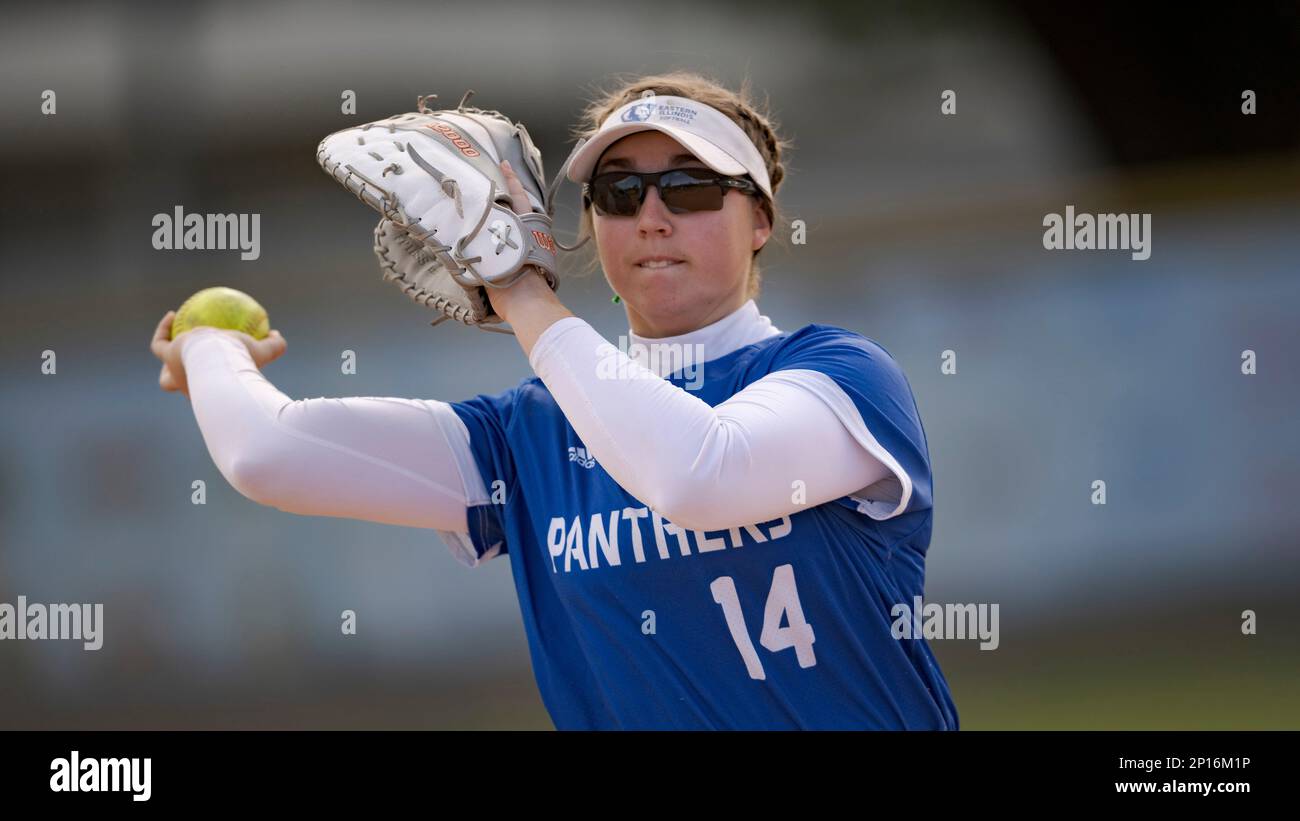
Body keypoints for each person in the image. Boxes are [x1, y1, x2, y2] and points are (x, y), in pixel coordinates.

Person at [150, 71, 958, 730]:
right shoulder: (524, 433)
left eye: (691, 187)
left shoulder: (842, 376)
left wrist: (520, 292)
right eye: (618, 191)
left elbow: (700, 471)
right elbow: (270, 453)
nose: (651, 215)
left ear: (760, 220)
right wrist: (209, 347)